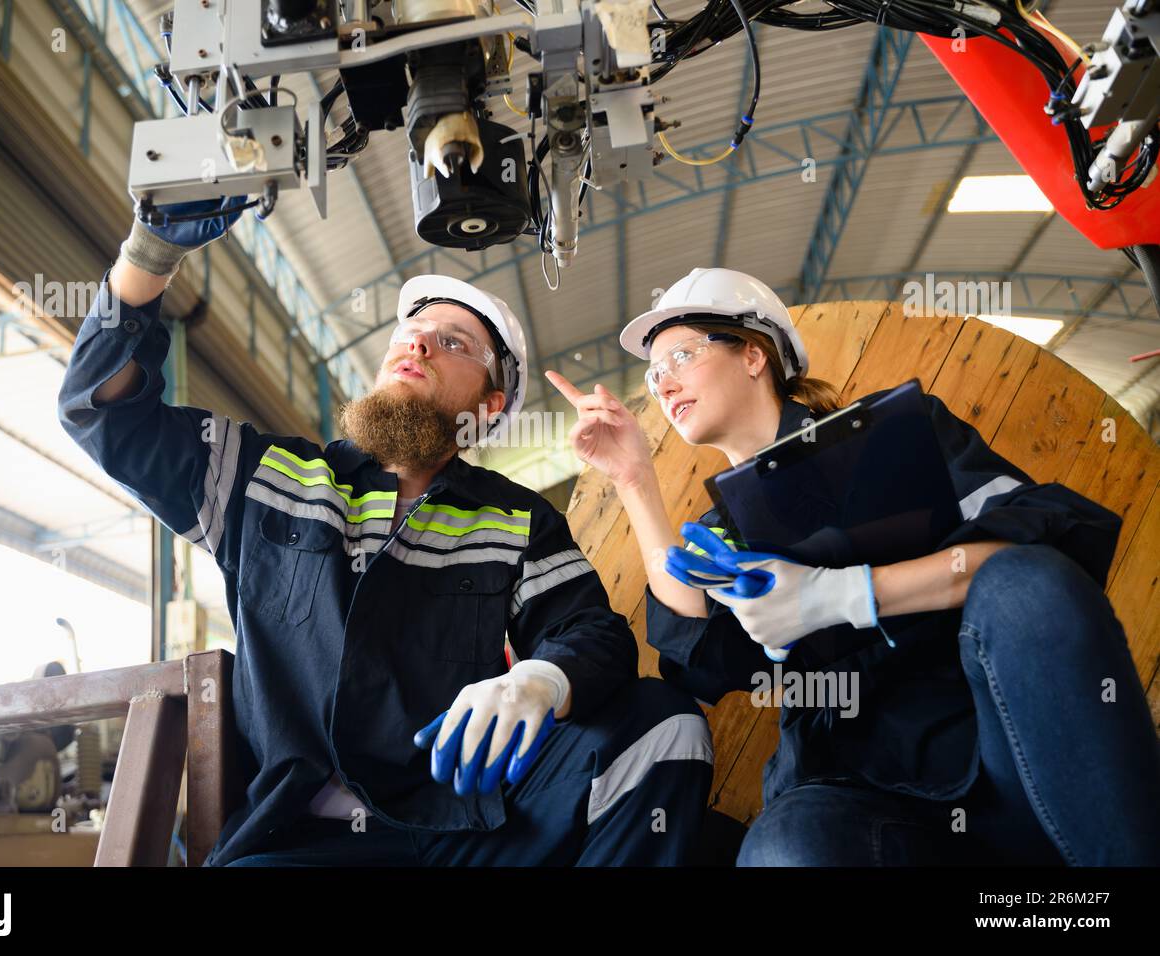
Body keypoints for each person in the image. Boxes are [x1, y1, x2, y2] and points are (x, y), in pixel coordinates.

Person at [57, 199, 713, 866]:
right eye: (411, 332)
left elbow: (592, 634)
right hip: (301, 842)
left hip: (463, 826)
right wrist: (147, 258)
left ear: (486, 410)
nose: (418, 343)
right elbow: (106, 417)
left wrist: (539, 681)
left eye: (453, 343)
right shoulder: (270, 478)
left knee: (664, 727)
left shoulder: (514, 518)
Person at [546, 266, 1160, 866]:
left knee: (1024, 584)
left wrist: (844, 594)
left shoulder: (896, 437)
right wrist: (633, 478)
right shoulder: (719, 537)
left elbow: (1038, 559)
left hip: (1012, 740)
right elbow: (700, 659)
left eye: (681, 356)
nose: (665, 384)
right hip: (863, 801)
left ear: (755, 354)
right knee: (785, 851)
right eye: (654, 377)